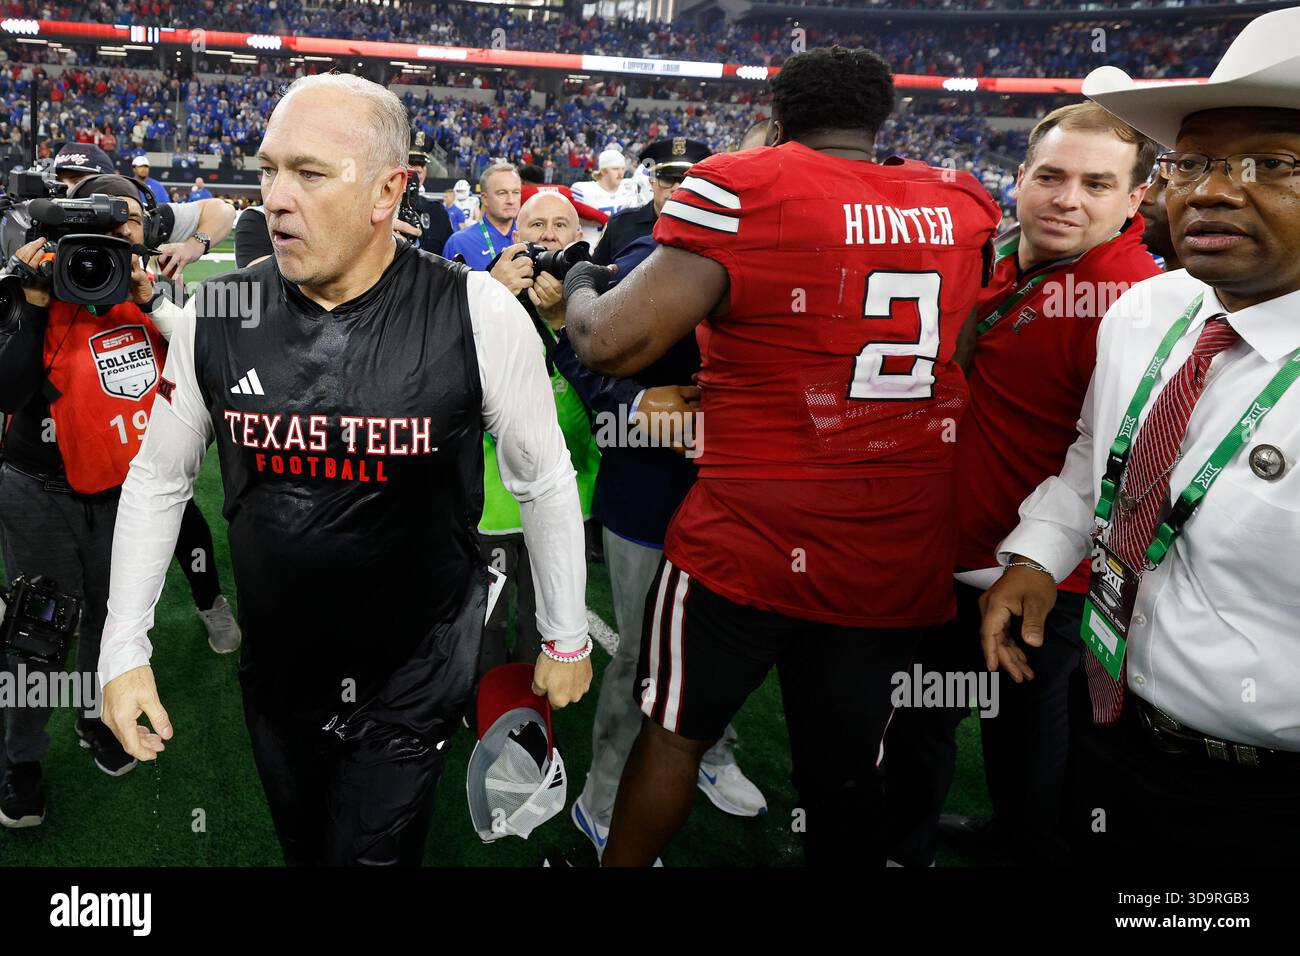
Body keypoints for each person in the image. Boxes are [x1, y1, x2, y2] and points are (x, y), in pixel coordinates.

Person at [95, 73, 592, 867]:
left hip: (414, 667)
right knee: (303, 843)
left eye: (309, 173)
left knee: (366, 855)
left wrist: (566, 635)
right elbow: (159, 478)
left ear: (388, 192)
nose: (275, 199)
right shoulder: (221, 314)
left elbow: (543, 479)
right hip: (279, 662)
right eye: (267, 171)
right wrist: (123, 646)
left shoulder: (477, 312)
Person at [563, 46, 1001, 867]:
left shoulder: (744, 184)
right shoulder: (961, 201)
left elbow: (613, 343)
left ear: (779, 108)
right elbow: (959, 359)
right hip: (892, 549)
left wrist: (582, 281)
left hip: (750, 537)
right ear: (882, 118)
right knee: (846, 773)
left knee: (674, 735)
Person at [982, 6, 1300, 865]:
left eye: (1271, 163)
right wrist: (1037, 556)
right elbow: (1098, 456)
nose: (1213, 189)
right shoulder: (1148, 309)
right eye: (1192, 162)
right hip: (1112, 719)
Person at [883, 102, 1161, 868]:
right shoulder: (1012, 257)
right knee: (921, 722)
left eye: (1097, 184)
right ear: (1021, 179)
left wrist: (1042, 564)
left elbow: (1117, 466)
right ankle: (911, 849)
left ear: (1136, 199)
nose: (1068, 198)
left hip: (1047, 581)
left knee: (1035, 755)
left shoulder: (1133, 302)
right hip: (952, 557)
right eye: (1052, 176)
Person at [557, 137, 769, 863]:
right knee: (641, 654)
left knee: (729, 643)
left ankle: (713, 748)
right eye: (668, 177)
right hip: (650, 491)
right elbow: (575, 348)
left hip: (741, 491)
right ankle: (605, 793)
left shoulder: (764, 245)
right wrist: (636, 398)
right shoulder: (628, 240)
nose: (677, 188)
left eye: (693, 177)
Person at [0, 175, 182, 827]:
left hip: (124, 487)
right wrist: (28, 298)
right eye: (100, 224)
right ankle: (19, 758)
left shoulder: (154, 284)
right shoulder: (36, 275)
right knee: (40, 628)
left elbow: (189, 376)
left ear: (145, 227)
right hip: (38, 485)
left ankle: (95, 714)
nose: (113, 237)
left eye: (127, 221)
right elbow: (7, 390)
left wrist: (153, 297)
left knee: (112, 615)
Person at [478, 192, 601, 676]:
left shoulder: (600, 303)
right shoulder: (484, 288)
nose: (548, 235)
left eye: (560, 225)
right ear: (516, 237)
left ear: (577, 238)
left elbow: (605, 400)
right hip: (491, 495)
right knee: (486, 612)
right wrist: (491, 294)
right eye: (536, 226)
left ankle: (532, 698)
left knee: (543, 611)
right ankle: (483, 695)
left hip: (568, 492)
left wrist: (562, 323)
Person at [441, 163, 519, 269]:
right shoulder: (459, 242)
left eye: (516, 192)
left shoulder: (532, 237)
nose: (511, 200)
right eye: (502, 193)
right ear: (484, 198)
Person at [392, 134, 452, 257]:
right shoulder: (378, 210)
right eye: (411, 163)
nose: (418, 169)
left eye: (422, 164)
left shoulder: (438, 213)